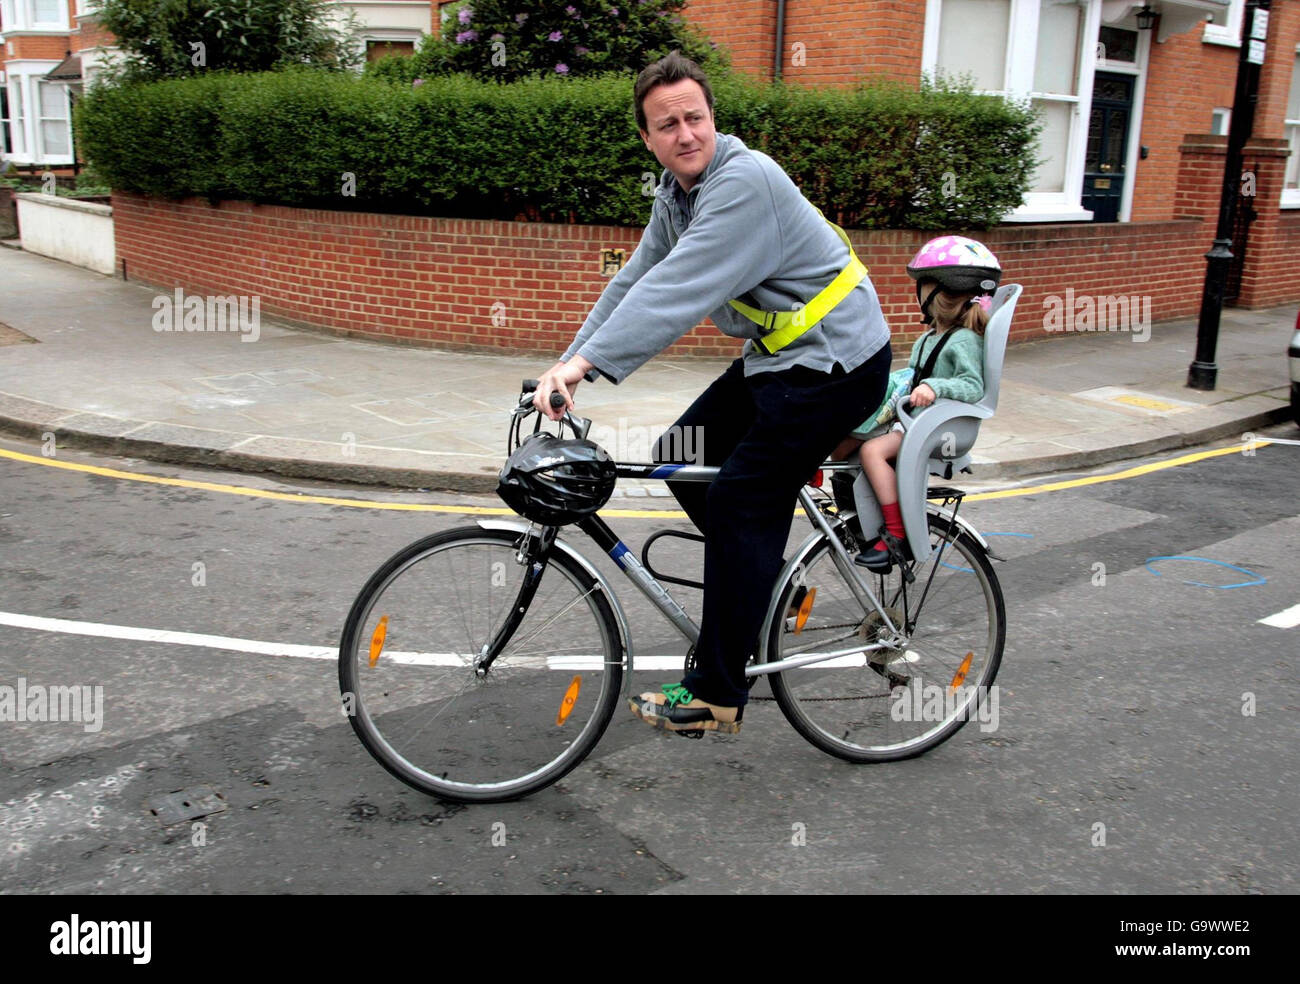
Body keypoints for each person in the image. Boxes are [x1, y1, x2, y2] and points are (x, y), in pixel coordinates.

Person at [531, 52, 892, 736]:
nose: (685, 133)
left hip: (839, 363)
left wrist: (589, 368)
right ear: (648, 139)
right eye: (667, 125)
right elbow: (636, 279)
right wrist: (567, 361)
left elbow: (678, 290)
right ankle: (775, 587)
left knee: (740, 496)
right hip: (785, 361)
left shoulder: (741, 182)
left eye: (695, 117)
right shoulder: (676, 195)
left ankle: (717, 695)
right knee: (681, 455)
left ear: (713, 120)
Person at [831, 236, 1001, 571]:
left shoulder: (963, 340)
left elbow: (972, 385)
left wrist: (934, 388)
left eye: (923, 284)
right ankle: (857, 520)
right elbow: (912, 376)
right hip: (915, 419)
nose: (918, 291)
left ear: (941, 291)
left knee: (871, 451)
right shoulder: (930, 337)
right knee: (842, 441)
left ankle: (896, 533)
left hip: (935, 425)